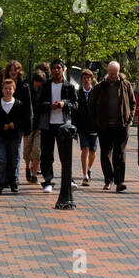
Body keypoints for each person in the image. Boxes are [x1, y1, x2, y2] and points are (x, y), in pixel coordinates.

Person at [87, 60, 136, 192]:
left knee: (120, 154)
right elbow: (91, 106)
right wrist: (96, 122)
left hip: (121, 125)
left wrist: (129, 120)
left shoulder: (126, 85)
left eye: (115, 73)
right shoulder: (99, 87)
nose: (113, 76)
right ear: (107, 72)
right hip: (104, 126)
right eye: (111, 73)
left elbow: (133, 103)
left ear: (119, 72)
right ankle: (108, 180)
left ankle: (120, 182)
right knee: (106, 154)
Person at [36, 58, 82, 192]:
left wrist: (64, 105)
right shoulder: (45, 86)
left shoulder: (69, 86)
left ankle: (68, 179)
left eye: (59, 68)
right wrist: (49, 106)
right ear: (51, 70)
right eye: (54, 68)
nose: (56, 70)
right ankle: (48, 181)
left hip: (64, 125)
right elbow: (38, 104)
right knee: (46, 154)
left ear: (63, 70)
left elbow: (76, 105)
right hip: (47, 125)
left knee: (65, 154)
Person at [0, 78, 28, 194]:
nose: (7, 91)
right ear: (2, 90)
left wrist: (14, 125)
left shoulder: (19, 104)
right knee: (1, 160)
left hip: (14, 137)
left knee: (14, 159)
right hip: (0, 136)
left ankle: (14, 182)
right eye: (5, 89)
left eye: (10, 89)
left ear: (14, 90)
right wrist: (2, 126)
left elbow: (23, 120)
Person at [20, 66, 44, 184]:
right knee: (26, 152)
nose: (37, 84)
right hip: (28, 125)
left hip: (40, 125)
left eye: (40, 82)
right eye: (36, 81)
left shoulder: (44, 91)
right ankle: (27, 168)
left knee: (37, 151)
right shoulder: (27, 89)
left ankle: (34, 175)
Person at [77, 69, 99, 185]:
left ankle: (89, 168)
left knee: (92, 151)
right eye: (84, 78)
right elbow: (75, 111)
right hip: (82, 127)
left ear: (91, 79)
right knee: (84, 149)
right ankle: (85, 175)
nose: (86, 80)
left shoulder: (96, 93)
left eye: (88, 78)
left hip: (94, 127)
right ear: (81, 80)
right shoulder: (77, 94)